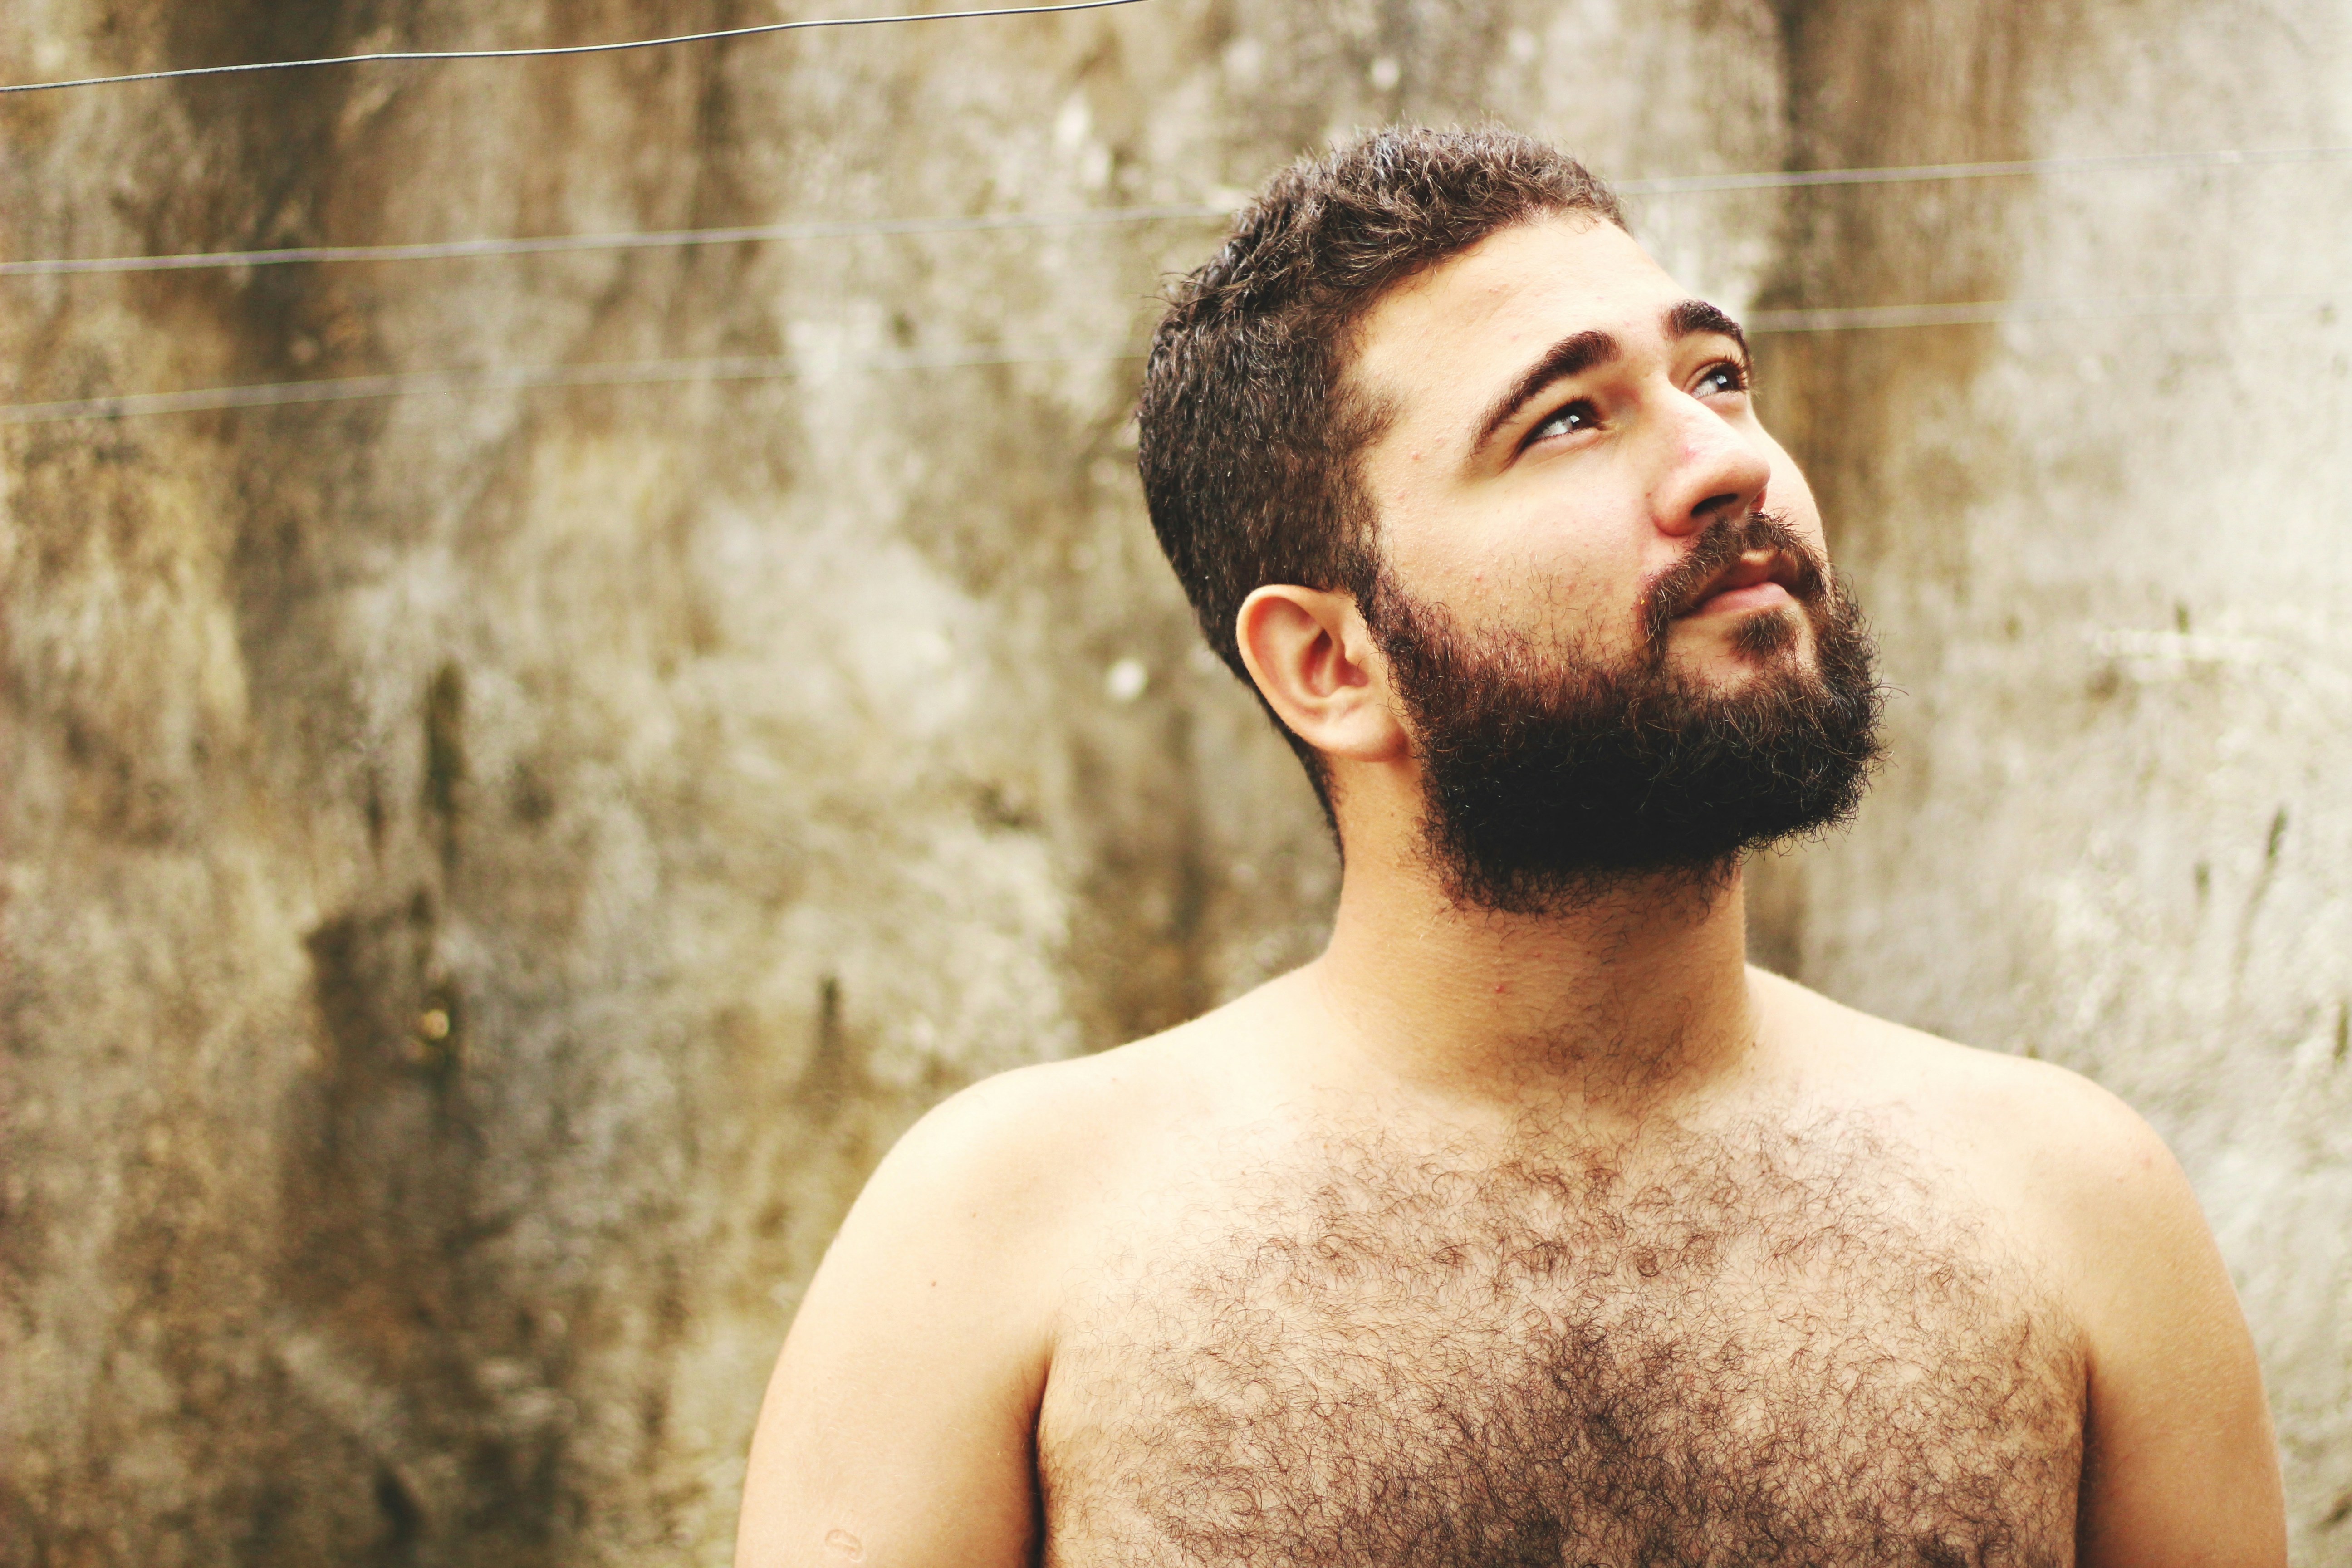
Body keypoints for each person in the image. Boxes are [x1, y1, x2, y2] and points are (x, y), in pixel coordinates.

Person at [734, 126, 2286, 1567]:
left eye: (1719, 377)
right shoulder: (996, 1248)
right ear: (1331, 665)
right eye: (1567, 420)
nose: (1726, 462)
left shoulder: (2077, 1213)